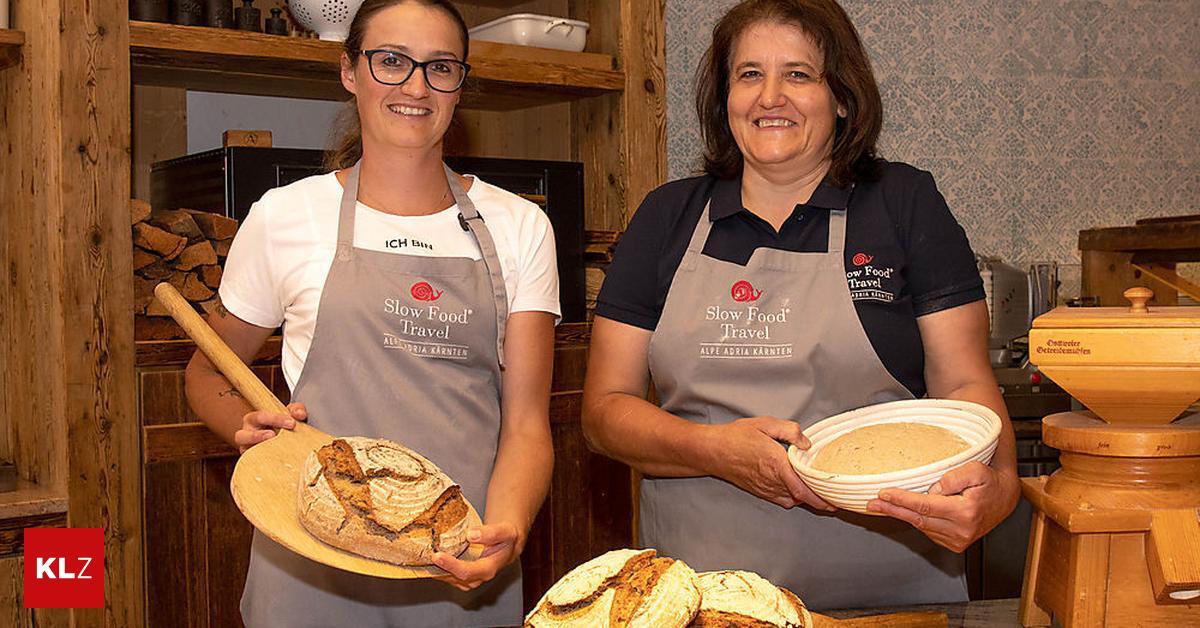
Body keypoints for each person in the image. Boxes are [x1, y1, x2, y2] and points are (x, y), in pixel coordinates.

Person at [581, 0, 1019, 611]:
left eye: (798, 74)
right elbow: (604, 411)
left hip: (889, 597)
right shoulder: (665, 217)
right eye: (749, 74)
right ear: (725, 98)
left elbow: (966, 384)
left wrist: (999, 488)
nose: (770, 97)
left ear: (841, 96)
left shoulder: (903, 203)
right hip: (702, 599)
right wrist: (714, 451)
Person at [183, 1, 559, 625]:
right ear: (349, 72)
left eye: (440, 67)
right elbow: (207, 373)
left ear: (460, 85)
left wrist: (509, 529)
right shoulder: (284, 216)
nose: (416, 86)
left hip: (458, 566)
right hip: (311, 567)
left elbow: (525, 424)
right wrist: (247, 430)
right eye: (391, 61)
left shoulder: (520, 226)